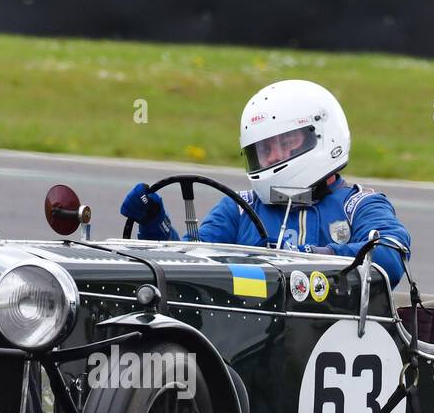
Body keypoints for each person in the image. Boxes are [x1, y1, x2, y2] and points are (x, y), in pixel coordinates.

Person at [119, 79, 410, 285]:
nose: (273, 157)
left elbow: (390, 258)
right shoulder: (238, 209)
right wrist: (155, 224)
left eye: (286, 143)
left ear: (320, 135)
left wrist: (322, 257)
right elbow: (188, 271)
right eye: (265, 150)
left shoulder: (360, 205)